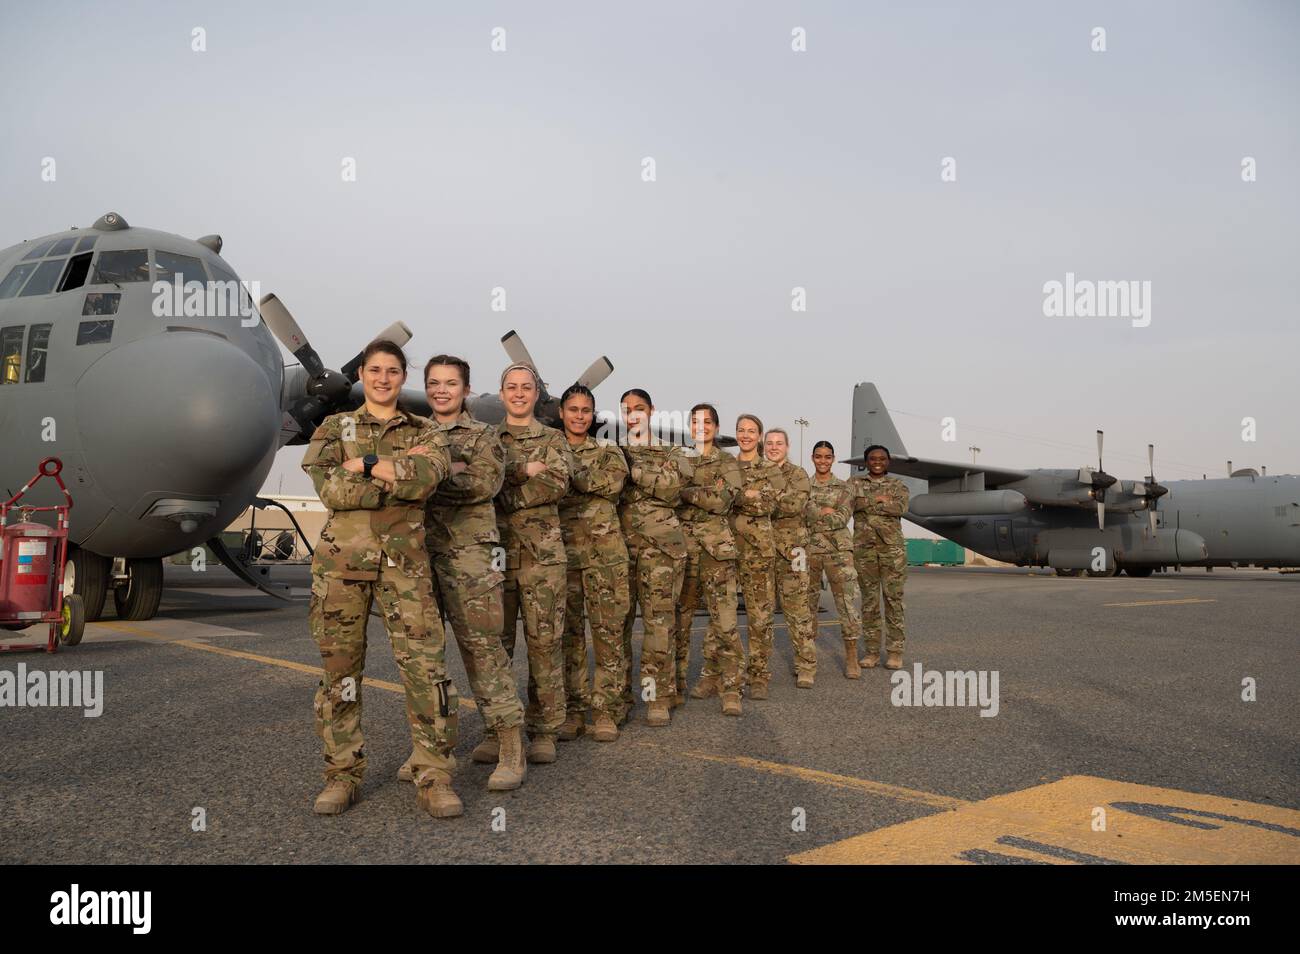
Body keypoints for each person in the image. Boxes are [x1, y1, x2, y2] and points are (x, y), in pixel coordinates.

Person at [301, 339, 461, 818]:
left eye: (392, 371)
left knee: (426, 671)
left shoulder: (426, 430)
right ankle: (342, 775)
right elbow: (331, 488)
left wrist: (367, 465)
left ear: (403, 377)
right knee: (340, 675)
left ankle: (434, 776)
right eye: (375, 370)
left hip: (405, 567)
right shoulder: (335, 427)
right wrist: (396, 482)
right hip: (341, 567)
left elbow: (426, 480)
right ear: (362, 375)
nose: (383, 379)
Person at [402, 354, 526, 791]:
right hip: (417, 552)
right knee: (423, 656)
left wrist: (423, 473)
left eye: (451, 383)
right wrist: (444, 468)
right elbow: (392, 480)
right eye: (434, 383)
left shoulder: (483, 435)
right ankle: (431, 749)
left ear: (466, 389)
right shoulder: (412, 432)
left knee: (483, 650)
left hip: (470, 556)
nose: (441, 391)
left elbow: (484, 484)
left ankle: (510, 745)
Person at [495, 363, 573, 763]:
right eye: (512, 387)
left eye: (526, 387)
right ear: (502, 393)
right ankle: (498, 730)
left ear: (536, 393)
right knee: (497, 647)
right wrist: (524, 470)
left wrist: (506, 491)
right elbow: (479, 482)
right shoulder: (488, 439)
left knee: (545, 645)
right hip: (497, 557)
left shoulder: (554, 439)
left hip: (543, 559)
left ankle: (544, 729)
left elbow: (556, 483)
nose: (519, 393)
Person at [557, 383, 631, 742]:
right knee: (568, 637)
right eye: (573, 410)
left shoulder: (607, 450)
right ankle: (574, 709)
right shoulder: (551, 447)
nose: (579, 416)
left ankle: (606, 710)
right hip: (563, 555)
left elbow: (612, 485)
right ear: (561, 413)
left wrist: (569, 477)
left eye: (585, 411)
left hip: (605, 557)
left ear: (593, 415)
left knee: (608, 634)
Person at [617, 388, 693, 726]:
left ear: (651, 411)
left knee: (658, 624)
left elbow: (672, 488)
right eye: (626, 409)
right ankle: (617, 700)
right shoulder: (613, 450)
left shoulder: (673, 451)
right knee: (616, 626)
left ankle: (656, 696)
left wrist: (633, 471)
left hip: (661, 550)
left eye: (639, 408)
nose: (633, 414)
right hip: (619, 549)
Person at [675, 403, 744, 716]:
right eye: (694, 422)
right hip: (683, 550)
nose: (700, 427)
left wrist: (687, 491)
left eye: (706, 422)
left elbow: (723, 500)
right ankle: (676, 686)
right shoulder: (678, 458)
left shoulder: (727, 462)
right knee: (680, 621)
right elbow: (667, 493)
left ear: (715, 428)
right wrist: (703, 490)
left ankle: (731, 689)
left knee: (725, 623)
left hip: (717, 552)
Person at [729, 414, 783, 699]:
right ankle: (724, 674)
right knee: (722, 617)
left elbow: (770, 504)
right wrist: (747, 495)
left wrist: (735, 497)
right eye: (741, 430)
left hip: (758, 551)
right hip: (725, 549)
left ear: (759, 436)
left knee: (760, 616)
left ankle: (759, 675)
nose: (746, 435)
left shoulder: (771, 469)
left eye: (751, 431)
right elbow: (716, 501)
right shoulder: (726, 466)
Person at [763, 428, 818, 687]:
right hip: (761, 550)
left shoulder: (798, 474)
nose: (774, 447)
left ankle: (806, 666)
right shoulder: (756, 472)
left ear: (787, 446)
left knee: (797, 611)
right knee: (761, 614)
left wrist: (763, 496)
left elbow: (794, 505)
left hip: (793, 552)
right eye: (769, 443)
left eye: (779, 443)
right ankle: (759, 670)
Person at [805, 440, 864, 679]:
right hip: (809, 550)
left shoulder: (844, 487)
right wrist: (824, 512)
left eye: (827, 457)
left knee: (846, 604)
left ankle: (851, 657)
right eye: (818, 456)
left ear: (833, 458)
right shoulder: (803, 486)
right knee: (806, 604)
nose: (823, 461)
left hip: (839, 551)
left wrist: (814, 513)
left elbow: (841, 518)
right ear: (812, 458)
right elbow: (799, 514)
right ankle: (807, 657)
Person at [849, 444, 910, 670]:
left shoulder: (898, 485)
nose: (877, 462)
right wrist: (881, 501)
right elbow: (850, 505)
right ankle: (872, 652)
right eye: (873, 458)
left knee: (894, 601)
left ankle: (895, 652)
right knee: (869, 602)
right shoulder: (854, 483)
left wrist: (866, 503)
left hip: (892, 551)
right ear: (866, 462)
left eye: (882, 458)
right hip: (864, 551)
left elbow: (901, 507)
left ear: (888, 462)